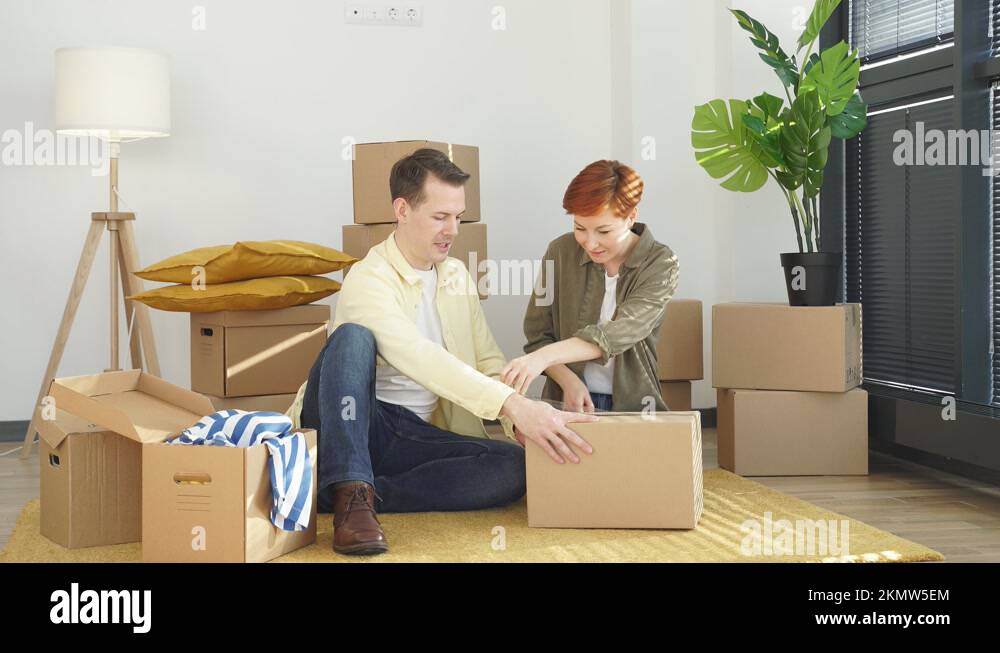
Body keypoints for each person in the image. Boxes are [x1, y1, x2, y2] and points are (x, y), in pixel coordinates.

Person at [285, 148, 599, 555]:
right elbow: (418, 355)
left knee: (513, 469)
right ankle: (351, 497)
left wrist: (517, 423)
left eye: (458, 217)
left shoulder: (455, 276)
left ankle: (346, 491)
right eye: (439, 217)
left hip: (411, 435)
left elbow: (486, 361)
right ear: (402, 209)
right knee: (351, 339)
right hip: (353, 422)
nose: (452, 229)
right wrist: (512, 406)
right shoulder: (369, 278)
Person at [503, 160, 679, 413]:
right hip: (565, 402)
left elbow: (621, 332)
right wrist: (569, 382)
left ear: (631, 218)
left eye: (604, 231)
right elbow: (538, 336)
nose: (590, 242)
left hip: (634, 405)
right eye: (579, 228)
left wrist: (542, 359)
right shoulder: (560, 252)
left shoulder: (661, 262)